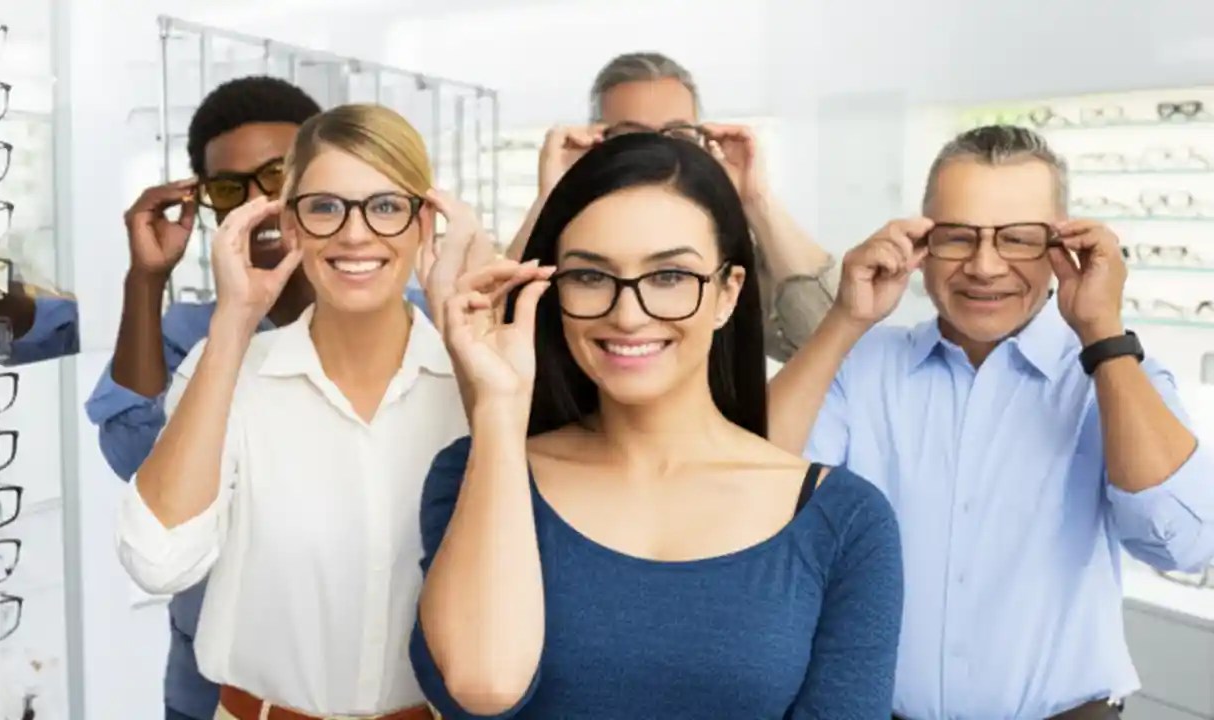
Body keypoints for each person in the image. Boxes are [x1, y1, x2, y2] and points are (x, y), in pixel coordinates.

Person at [411, 133, 903, 719]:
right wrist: (498, 403)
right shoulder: (474, 475)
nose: (628, 315)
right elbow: (484, 685)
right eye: (590, 277)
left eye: (669, 276)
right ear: (549, 292)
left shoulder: (845, 519)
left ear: (728, 293)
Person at [776, 125, 1214, 720]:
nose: (984, 267)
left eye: (1019, 239)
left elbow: (1183, 545)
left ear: (1062, 247)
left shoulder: (1118, 375)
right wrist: (844, 321)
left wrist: (1102, 332)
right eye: (958, 237)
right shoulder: (861, 365)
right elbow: (744, 495)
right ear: (922, 244)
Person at [115, 102, 522, 720]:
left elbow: (525, 567)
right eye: (326, 207)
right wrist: (234, 322)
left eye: (386, 206)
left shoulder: (483, 379)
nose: (355, 234)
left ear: (425, 222)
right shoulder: (227, 370)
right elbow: (157, 560)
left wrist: (460, 328)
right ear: (291, 225)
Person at [85, 75, 323, 720]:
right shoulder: (193, 333)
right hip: (215, 688)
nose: (260, 202)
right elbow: (134, 455)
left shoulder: (412, 318)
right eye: (230, 188)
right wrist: (146, 279)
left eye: (278, 175)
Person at [507, 51, 836, 362]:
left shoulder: (721, 248)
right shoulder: (572, 240)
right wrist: (550, 199)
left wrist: (757, 200)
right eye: (632, 137)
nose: (659, 154)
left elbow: (836, 343)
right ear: (596, 144)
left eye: (678, 135)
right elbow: (496, 332)